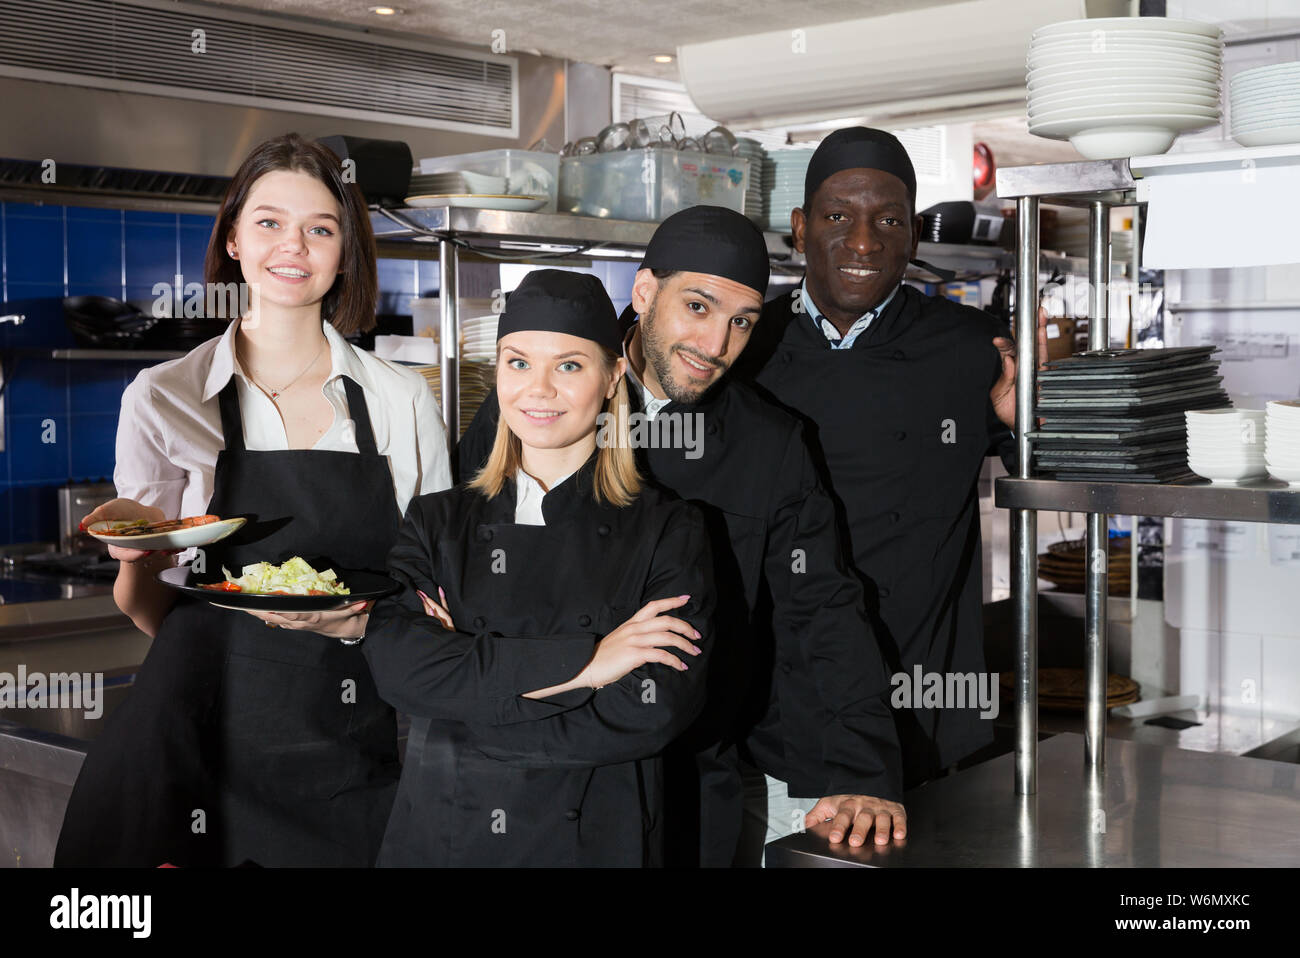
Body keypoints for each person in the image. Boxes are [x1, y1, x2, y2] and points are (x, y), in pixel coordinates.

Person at [458, 207, 905, 867]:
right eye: (698, 306)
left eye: (741, 321)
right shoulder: (533, 403)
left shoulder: (768, 444)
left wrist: (861, 768)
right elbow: (464, 572)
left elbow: (823, 606)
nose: (716, 343)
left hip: (692, 778)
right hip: (527, 766)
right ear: (644, 294)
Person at [55, 132, 452, 867]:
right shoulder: (165, 395)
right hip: (197, 728)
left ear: (344, 252)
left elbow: (439, 590)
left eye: (320, 228)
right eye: (268, 221)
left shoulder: (398, 400)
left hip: (353, 736)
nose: (291, 245)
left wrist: (358, 626)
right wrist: (135, 559)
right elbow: (149, 609)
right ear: (234, 238)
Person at [361, 269, 714, 867]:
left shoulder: (669, 529)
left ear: (611, 380)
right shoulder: (436, 521)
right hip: (446, 837)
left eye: (570, 365)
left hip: (598, 838)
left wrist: (468, 692)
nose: (538, 389)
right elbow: (399, 671)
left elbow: (653, 706)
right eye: (517, 362)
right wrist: (590, 663)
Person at [736, 126, 1045, 791]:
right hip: (773, 709)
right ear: (799, 228)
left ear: (912, 236)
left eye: (889, 220)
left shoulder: (972, 349)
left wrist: (1032, 430)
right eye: (838, 216)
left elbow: (1053, 486)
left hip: (927, 708)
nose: (864, 240)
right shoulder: (745, 349)